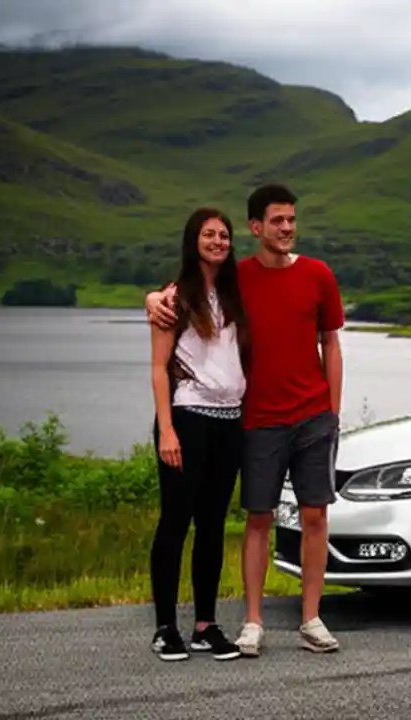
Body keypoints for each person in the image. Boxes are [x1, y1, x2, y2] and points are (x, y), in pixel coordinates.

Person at [146, 183, 344, 655]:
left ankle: (294, 620)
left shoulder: (297, 277)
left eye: (291, 220)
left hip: (286, 417)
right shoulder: (218, 284)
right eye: (277, 220)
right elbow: (174, 306)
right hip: (236, 419)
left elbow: (331, 343)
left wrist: (332, 413)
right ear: (257, 227)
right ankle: (217, 625)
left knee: (290, 517)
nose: (287, 228)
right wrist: (151, 297)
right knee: (238, 518)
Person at [147, 207, 249, 662]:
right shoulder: (174, 297)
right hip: (187, 420)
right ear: (194, 241)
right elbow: (157, 368)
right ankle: (166, 628)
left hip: (229, 423)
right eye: (209, 234)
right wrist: (167, 430)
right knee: (175, 523)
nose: (218, 241)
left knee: (212, 526)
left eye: (224, 235)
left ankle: (206, 625)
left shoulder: (234, 294)